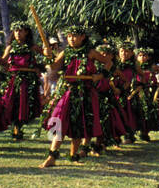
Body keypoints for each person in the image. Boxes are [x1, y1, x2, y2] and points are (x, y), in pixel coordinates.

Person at [39, 29, 109, 167]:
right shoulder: (66, 53)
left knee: (79, 124)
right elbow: (53, 67)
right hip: (67, 92)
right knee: (59, 122)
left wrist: (99, 76)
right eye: (69, 36)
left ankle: (73, 155)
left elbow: (108, 63)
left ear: (83, 37)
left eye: (74, 36)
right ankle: (52, 156)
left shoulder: (91, 52)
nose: (71, 39)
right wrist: (47, 56)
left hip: (86, 93)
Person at [2, 22, 45, 141]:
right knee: (12, 102)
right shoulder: (10, 47)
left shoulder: (32, 47)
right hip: (14, 79)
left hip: (28, 80)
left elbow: (46, 55)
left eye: (20, 31)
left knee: (24, 104)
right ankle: (16, 128)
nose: (18, 33)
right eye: (16, 31)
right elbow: (2, 61)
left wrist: (46, 53)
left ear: (26, 32)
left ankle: (19, 128)